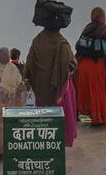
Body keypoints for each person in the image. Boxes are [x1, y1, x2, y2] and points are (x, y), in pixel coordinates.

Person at [26, 14, 78, 147]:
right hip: (59, 91)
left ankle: (43, 141)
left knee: (44, 119)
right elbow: (72, 64)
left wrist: (30, 79)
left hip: (41, 89)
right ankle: (61, 141)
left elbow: (29, 64)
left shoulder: (37, 40)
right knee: (61, 120)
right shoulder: (62, 43)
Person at [74, 7, 106, 127]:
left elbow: (78, 48)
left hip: (83, 67)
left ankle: (84, 115)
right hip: (97, 66)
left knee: (88, 93)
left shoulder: (87, 29)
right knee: (99, 92)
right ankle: (99, 118)